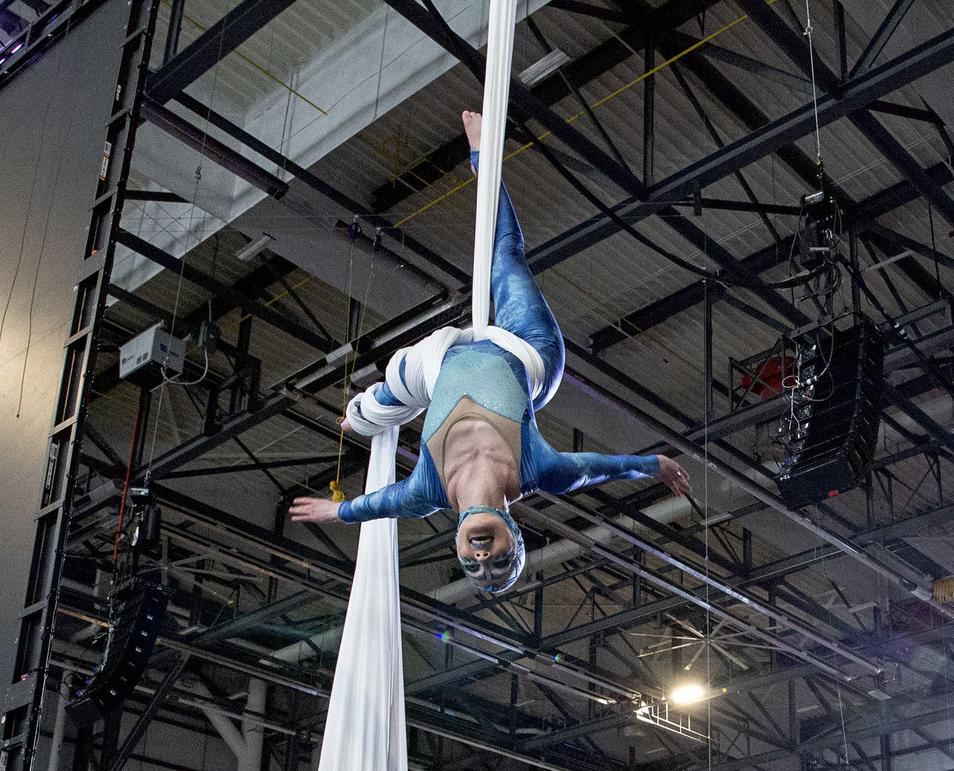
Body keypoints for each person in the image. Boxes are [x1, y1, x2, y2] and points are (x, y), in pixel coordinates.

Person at [293, 112, 693, 596]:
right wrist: (654, 464)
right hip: (527, 351)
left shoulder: (425, 491)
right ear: (514, 536)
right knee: (505, 255)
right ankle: (484, 159)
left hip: (438, 366)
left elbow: (374, 505)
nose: (483, 558)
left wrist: (336, 511)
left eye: (474, 567)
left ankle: (362, 413)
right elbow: (600, 467)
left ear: (457, 548)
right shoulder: (540, 471)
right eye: (499, 562)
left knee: (390, 385)